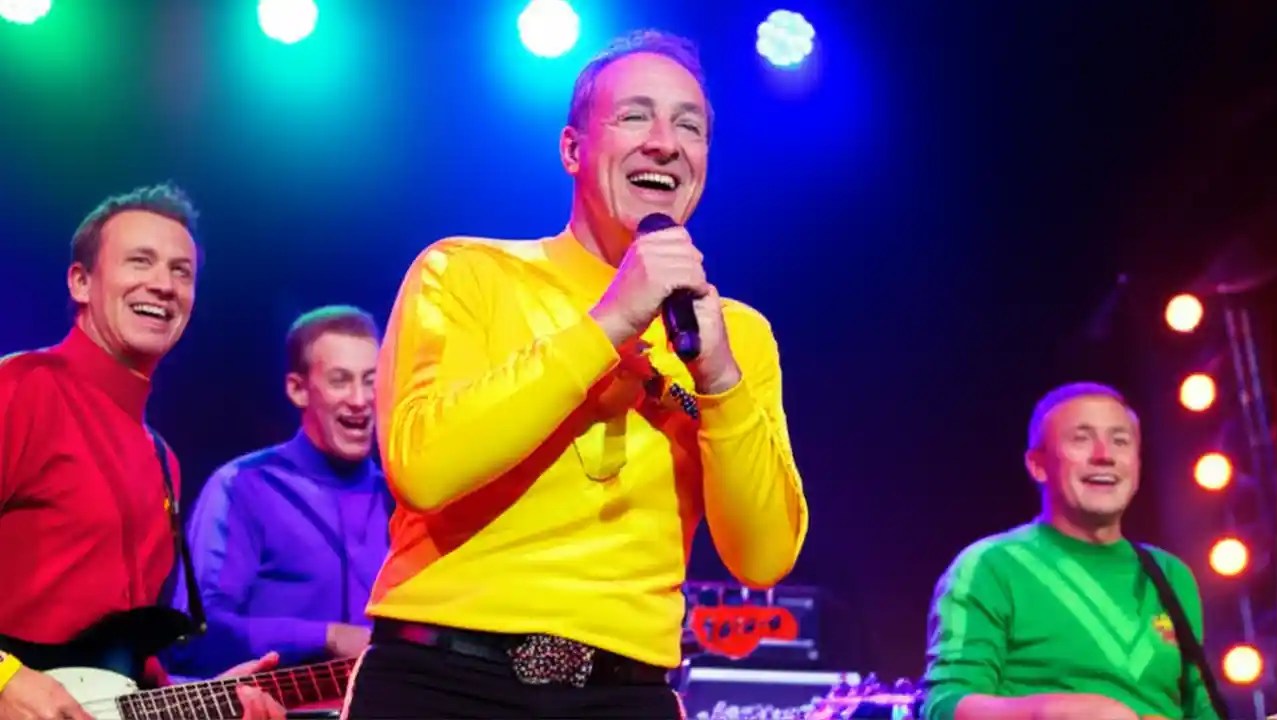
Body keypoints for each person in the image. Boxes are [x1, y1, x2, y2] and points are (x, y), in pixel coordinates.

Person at [342, 28, 809, 720]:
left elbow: (763, 557)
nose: (664, 141)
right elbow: (425, 467)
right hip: (442, 680)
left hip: (625, 692)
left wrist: (717, 381)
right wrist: (609, 323)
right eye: (634, 116)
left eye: (690, 126)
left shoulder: (733, 335)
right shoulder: (465, 273)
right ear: (572, 150)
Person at [0, 183, 286, 720]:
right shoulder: (21, 390)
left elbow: (115, 669)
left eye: (182, 271)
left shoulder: (163, 460)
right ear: (81, 282)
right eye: (140, 261)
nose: (163, 284)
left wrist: (204, 697)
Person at [920, 381, 1217, 720]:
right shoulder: (991, 566)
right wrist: (1052, 712)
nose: (1104, 455)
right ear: (1038, 465)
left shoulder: (1170, 574)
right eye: (1081, 438)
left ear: (1136, 467)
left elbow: (1202, 709)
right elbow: (943, 707)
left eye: (1120, 441)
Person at [166, 305, 392, 680]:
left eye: (371, 380)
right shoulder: (243, 486)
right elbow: (192, 637)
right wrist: (327, 637)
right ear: (298, 390)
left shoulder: (400, 499)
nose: (360, 399)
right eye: (340, 380)